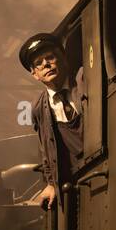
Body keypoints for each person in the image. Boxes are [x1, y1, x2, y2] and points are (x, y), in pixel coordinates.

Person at [19, 32, 86, 209]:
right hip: (75, 181)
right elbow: (46, 150)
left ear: (62, 58)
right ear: (35, 74)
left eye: (50, 57)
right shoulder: (38, 108)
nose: (46, 64)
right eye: (39, 64)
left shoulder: (83, 81)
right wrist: (50, 183)